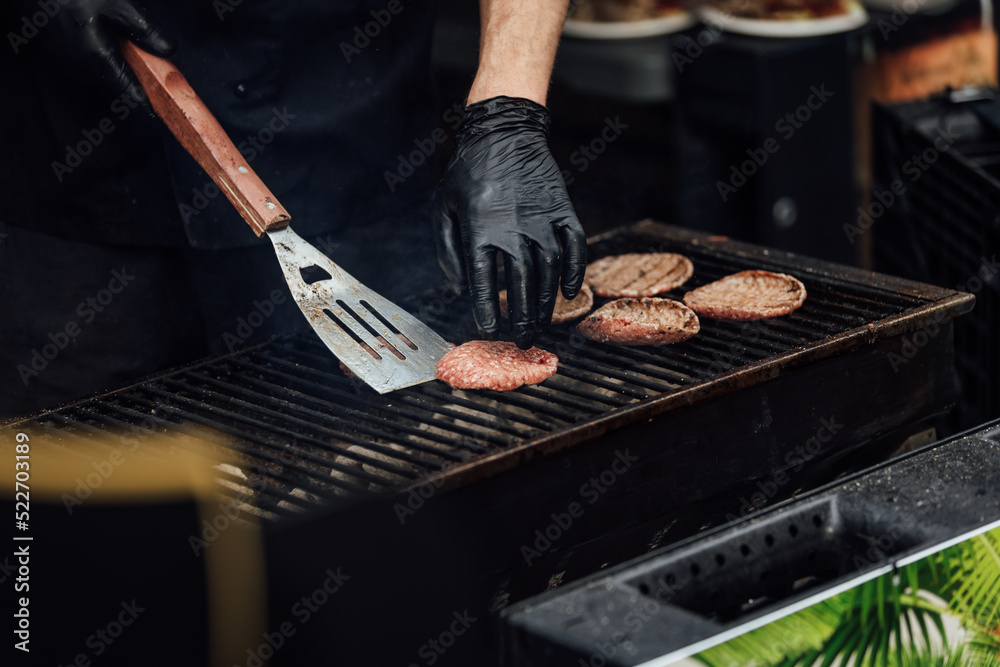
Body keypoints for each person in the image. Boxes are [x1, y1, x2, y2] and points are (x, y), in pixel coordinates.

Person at [0, 0, 586, 417]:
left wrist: (506, 111)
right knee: (82, 491)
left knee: (393, 475)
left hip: (351, 146)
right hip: (81, 172)